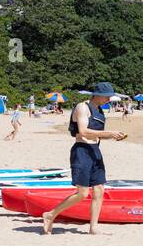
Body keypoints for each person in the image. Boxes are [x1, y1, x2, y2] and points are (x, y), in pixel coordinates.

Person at [41, 82, 127, 235]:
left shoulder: (100, 110)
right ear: (99, 95)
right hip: (82, 151)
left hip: (95, 151)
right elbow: (82, 131)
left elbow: (96, 134)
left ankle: (93, 227)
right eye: (107, 96)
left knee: (99, 189)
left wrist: (112, 136)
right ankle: (50, 214)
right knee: (82, 193)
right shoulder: (82, 107)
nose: (109, 100)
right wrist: (108, 133)